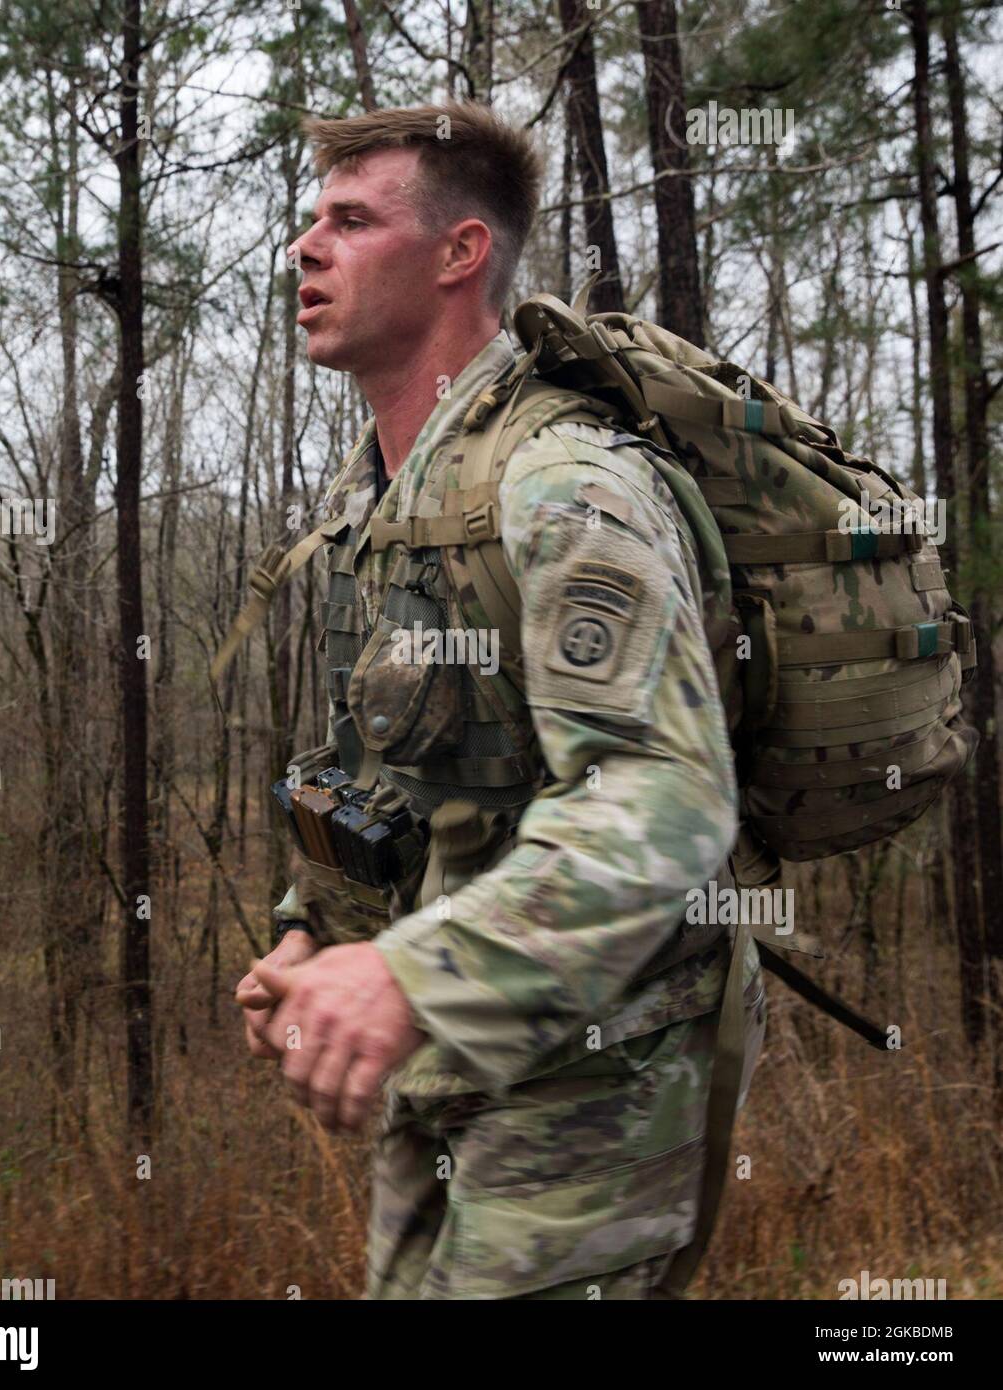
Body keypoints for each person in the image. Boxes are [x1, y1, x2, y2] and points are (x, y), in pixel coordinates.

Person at [234, 100, 765, 1300]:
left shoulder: (564, 481)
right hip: (451, 1064)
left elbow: (666, 795)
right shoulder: (387, 501)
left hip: (598, 1080)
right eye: (311, 218)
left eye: (352, 220)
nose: (305, 247)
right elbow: (383, 765)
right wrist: (310, 933)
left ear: (460, 253)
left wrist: (409, 975)